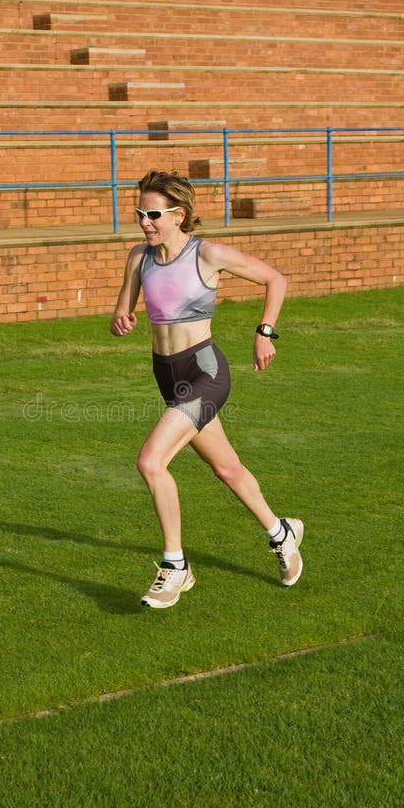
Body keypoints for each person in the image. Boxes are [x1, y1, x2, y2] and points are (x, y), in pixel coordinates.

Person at [110, 169, 304, 609]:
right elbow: (122, 308)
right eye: (140, 212)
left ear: (178, 215)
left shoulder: (208, 254)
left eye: (153, 214)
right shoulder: (139, 258)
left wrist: (265, 331)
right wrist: (121, 319)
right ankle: (281, 533)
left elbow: (276, 279)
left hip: (205, 373)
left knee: (150, 461)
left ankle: (175, 566)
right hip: (168, 375)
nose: (144, 222)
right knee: (227, 469)